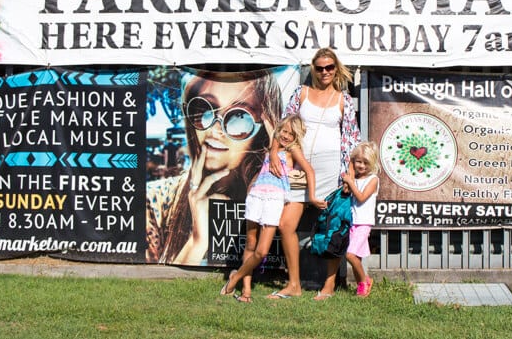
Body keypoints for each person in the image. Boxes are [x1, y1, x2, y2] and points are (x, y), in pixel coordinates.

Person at [145, 70, 282, 265]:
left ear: (264, 132)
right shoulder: (155, 201)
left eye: (239, 117)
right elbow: (157, 283)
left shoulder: (274, 196)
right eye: (205, 109)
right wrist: (197, 241)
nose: (215, 129)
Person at [267, 47, 361, 299]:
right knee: (286, 225)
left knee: (332, 228)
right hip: (299, 171)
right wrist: (274, 152)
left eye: (329, 67)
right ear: (313, 69)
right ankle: (294, 284)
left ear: (336, 68)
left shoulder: (345, 100)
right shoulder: (301, 93)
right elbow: (283, 126)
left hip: (332, 172)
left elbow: (352, 140)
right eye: (319, 68)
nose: (324, 72)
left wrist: (349, 176)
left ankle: (329, 285)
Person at [220, 114, 317, 303]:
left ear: (297, 136)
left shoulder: (293, 149)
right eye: (283, 131)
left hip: (274, 200)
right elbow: (273, 131)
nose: (286, 136)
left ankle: (235, 278)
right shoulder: (274, 145)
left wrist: (312, 197)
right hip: (256, 196)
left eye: (291, 133)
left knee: (262, 251)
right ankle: (246, 291)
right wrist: (273, 143)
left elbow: (309, 170)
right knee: (250, 243)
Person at [340, 141, 380, 298]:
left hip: (363, 222)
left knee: (349, 255)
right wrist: (349, 179)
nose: (361, 166)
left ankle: (364, 282)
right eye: (358, 162)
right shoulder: (354, 177)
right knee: (355, 256)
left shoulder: (373, 179)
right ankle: (361, 284)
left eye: (365, 163)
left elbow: (362, 197)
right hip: (352, 221)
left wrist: (351, 182)